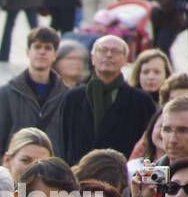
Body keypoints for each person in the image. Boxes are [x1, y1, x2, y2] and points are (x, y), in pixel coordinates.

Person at [59, 35, 157, 166]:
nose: (109, 55)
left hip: (121, 176)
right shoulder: (72, 97)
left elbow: (147, 146)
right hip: (79, 176)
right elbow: (63, 142)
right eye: (103, 50)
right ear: (93, 58)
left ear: (125, 60)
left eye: (115, 51)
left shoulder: (141, 101)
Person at [0, 28, 68, 157]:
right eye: (37, 47)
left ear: (55, 54)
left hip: (53, 169)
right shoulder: (7, 93)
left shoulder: (67, 95)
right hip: (18, 168)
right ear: (28, 52)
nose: (42, 52)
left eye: (48, 48)